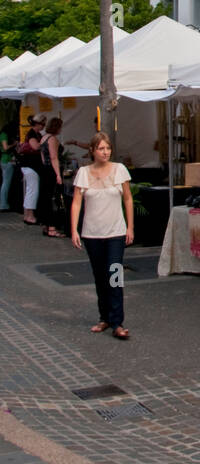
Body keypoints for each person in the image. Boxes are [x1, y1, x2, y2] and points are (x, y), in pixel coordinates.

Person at [70, 132, 134, 340]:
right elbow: (77, 202)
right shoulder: (83, 173)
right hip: (92, 234)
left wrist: (130, 227)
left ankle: (118, 321)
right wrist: (74, 230)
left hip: (115, 233)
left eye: (107, 148)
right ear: (92, 151)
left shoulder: (119, 170)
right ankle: (104, 317)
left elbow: (128, 200)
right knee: (100, 277)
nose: (105, 152)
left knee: (115, 276)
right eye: (101, 148)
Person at [37, 117, 66, 237]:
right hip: (51, 171)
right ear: (57, 127)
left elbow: (43, 157)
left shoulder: (43, 138)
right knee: (53, 199)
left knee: (45, 198)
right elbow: (54, 157)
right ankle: (52, 228)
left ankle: (46, 225)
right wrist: (58, 174)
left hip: (45, 170)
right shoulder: (52, 139)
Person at [18, 114, 46, 224]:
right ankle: (29, 216)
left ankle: (27, 214)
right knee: (32, 190)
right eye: (43, 124)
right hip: (31, 165)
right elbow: (36, 147)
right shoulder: (32, 135)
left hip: (30, 165)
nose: (44, 126)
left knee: (31, 190)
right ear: (38, 124)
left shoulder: (35, 133)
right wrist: (45, 142)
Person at [0, 120, 16, 210]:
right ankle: (3, 204)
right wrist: (14, 144)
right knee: (6, 183)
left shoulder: (2, 134)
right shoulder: (4, 135)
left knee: (5, 183)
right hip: (7, 160)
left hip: (4, 160)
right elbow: (5, 148)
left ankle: (3, 203)